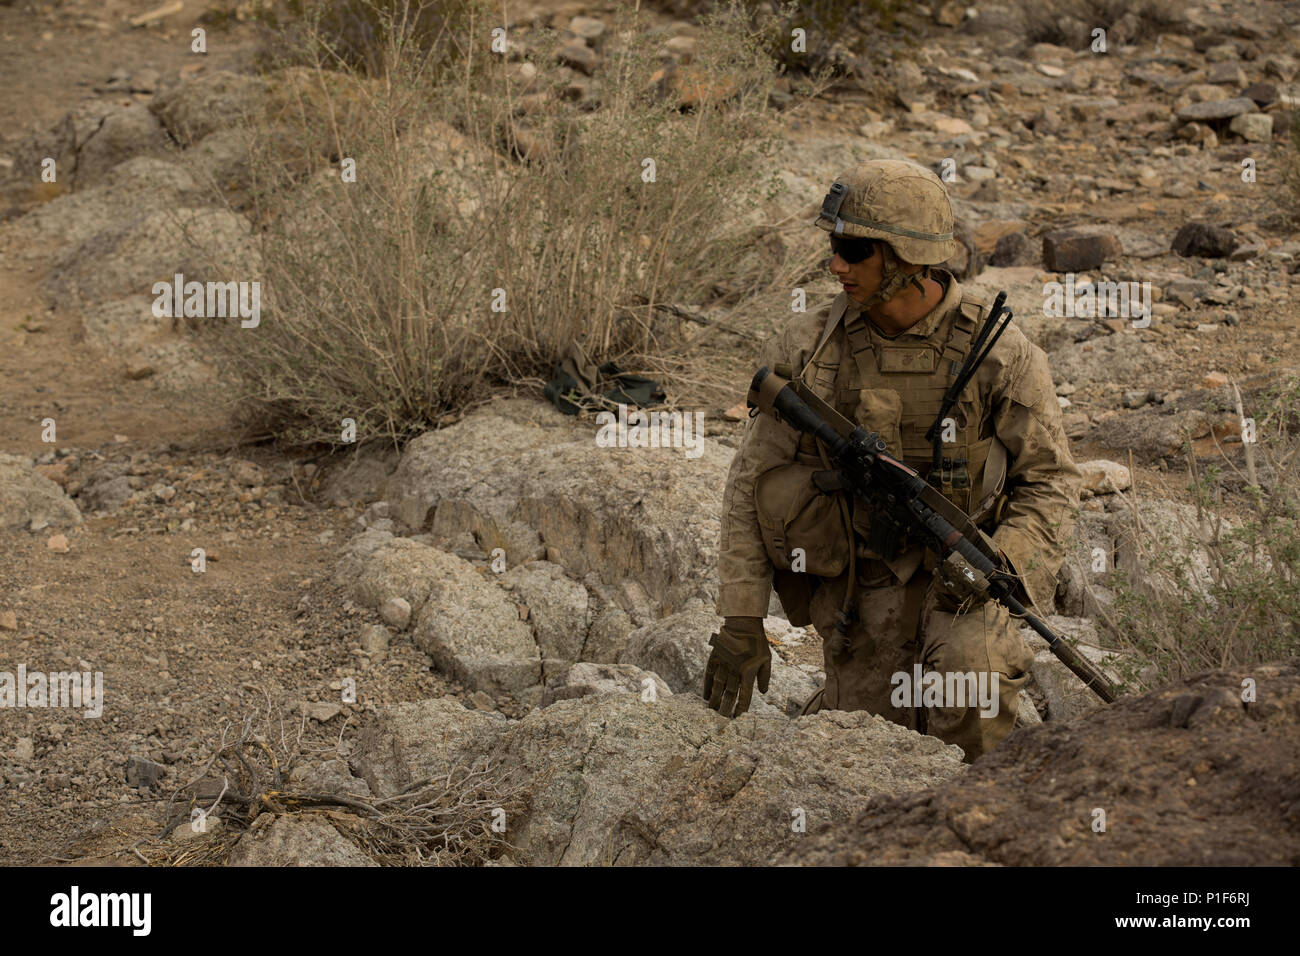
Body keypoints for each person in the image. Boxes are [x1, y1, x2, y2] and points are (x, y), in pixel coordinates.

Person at [704, 159, 1081, 760]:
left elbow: (1051, 481)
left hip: (965, 585)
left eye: (855, 251)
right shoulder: (810, 348)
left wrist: (1000, 564)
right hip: (861, 586)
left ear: (906, 257)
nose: (836, 266)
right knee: (868, 757)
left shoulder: (1000, 352)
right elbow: (751, 482)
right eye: (835, 246)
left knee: (970, 688)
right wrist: (742, 618)